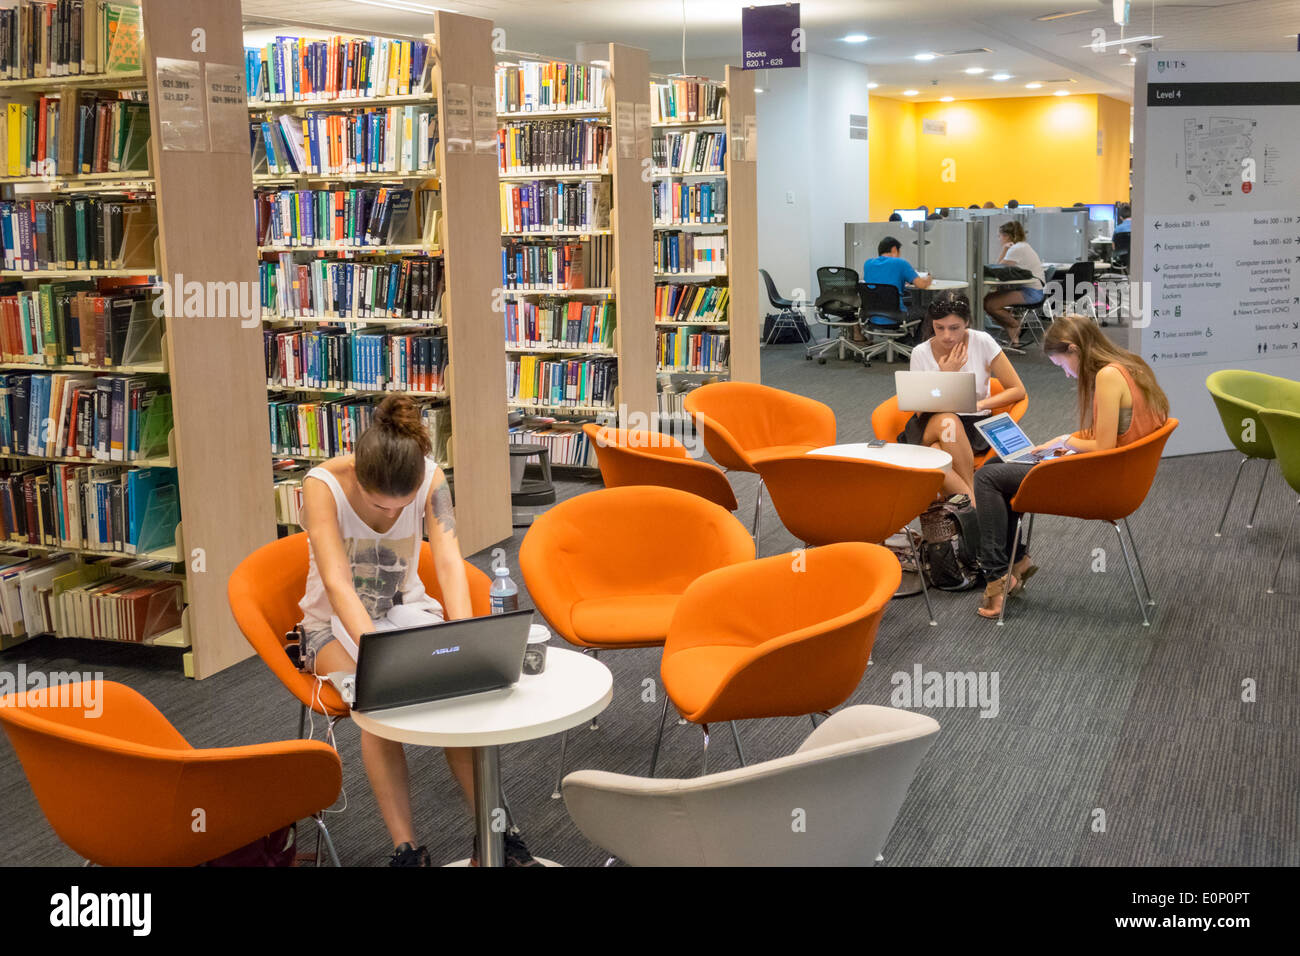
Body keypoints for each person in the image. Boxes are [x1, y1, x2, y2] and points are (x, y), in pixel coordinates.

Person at [298, 393, 540, 866]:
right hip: (328, 625)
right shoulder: (322, 484)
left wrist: (470, 640)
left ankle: (496, 834)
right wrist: (380, 655)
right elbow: (337, 583)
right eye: (377, 507)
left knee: (457, 694)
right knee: (376, 699)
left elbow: (448, 563)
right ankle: (406, 850)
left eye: (400, 508)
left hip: (405, 610)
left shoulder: (432, 477)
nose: (391, 517)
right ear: (360, 479)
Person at [972, 314, 1170, 618]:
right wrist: (1063, 444)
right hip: (1122, 473)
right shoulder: (1129, 365)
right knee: (1003, 464)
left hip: (1105, 484)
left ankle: (997, 579)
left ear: (1075, 349)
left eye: (1062, 364)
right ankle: (1018, 560)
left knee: (987, 478)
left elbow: (1105, 447)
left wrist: (1066, 440)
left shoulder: (1107, 376)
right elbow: (1118, 434)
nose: (1066, 374)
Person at [899, 291, 1026, 502]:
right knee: (947, 419)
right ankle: (976, 502)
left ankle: (967, 508)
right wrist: (945, 376)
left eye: (954, 328)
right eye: (939, 328)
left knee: (937, 456)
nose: (947, 335)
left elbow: (1017, 390)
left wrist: (980, 404)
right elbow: (920, 409)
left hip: (973, 423)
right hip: (930, 422)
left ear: (966, 322)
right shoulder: (921, 352)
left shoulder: (982, 342)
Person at [983, 220, 1046, 347]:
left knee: (989, 304)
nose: (999, 239)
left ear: (1006, 236)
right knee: (987, 300)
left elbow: (998, 269)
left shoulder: (1016, 249)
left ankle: (1014, 325)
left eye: (999, 236)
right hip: (1035, 290)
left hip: (1032, 293)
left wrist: (1004, 250)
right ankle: (1014, 337)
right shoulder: (1022, 246)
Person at [862, 235, 932, 310]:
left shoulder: (868, 264)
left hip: (872, 314)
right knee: (925, 309)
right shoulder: (901, 263)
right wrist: (929, 278)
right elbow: (921, 285)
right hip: (896, 316)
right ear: (894, 250)